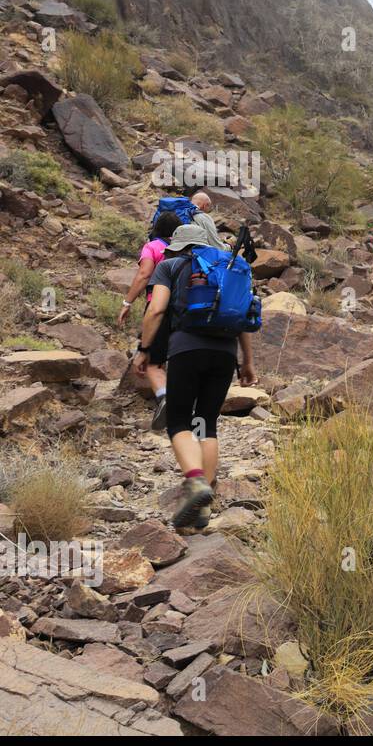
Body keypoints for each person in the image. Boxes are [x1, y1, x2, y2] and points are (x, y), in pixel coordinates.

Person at [133, 223, 256, 529]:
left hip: (187, 349)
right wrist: (248, 363)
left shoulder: (170, 266)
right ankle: (203, 507)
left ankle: (196, 482)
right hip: (225, 354)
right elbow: (243, 317)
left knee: (178, 421)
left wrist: (145, 348)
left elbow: (156, 311)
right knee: (206, 422)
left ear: (179, 246)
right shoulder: (228, 268)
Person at [118, 211, 182, 429]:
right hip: (186, 309)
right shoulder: (187, 249)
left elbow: (144, 274)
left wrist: (127, 303)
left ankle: (165, 398)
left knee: (153, 360)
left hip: (158, 306)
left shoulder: (153, 247)